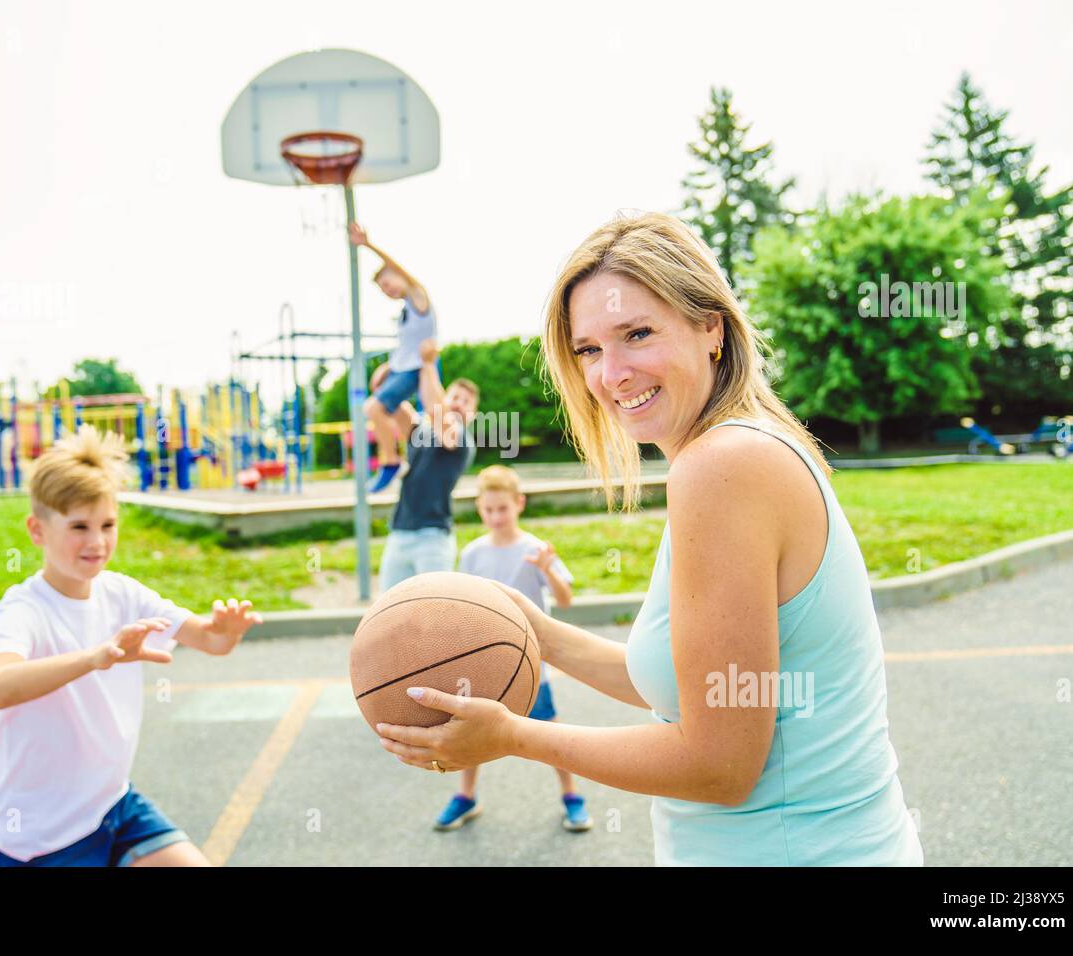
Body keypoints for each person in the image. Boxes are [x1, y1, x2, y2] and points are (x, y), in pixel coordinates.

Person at [374, 212, 925, 866]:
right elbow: (706, 690)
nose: (612, 374)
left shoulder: (722, 467)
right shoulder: (740, 449)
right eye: (588, 350)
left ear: (710, 327)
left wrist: (514, 737)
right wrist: (539, 632)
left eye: (637, 333)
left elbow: (721, 764)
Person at [0, 425, 262, 867]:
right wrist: (95, 657)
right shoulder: (24, 608)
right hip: (39, 831)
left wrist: (226, 630)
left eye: (107, 525)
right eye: (79, 527)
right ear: (37, 530)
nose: (97, 541)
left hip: (112, 803)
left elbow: (207, 639)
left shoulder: (123, 594)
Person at [434, 465, 593, 833]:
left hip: (529, 661)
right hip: (483, 662)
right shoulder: (473, 554)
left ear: (519, 504)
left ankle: (571, 795)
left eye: (502, 509)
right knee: (471, 728)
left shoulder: (535, 549)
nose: (495, 517)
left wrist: (548, 570)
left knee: (550, 732)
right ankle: (466, 796)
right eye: (488, 510)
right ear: (479, 509)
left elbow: (565, 599)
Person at [378, 339, 479, 591]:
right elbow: (390, 403)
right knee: (387, 613)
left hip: (433, 538)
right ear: (446, 396)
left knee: (435, 617)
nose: (458, 403)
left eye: (466, 402)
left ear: (473, 415)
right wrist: (395, 372)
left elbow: (438, 413)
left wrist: (428, 363)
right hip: (399, 532)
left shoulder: (461, 439)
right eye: (455, 396)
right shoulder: (420, 429)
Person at [348, 220, 439, 493]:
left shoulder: (419, 298)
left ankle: (391, 461)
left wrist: (368, 245)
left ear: (399, 276)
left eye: (388, 283)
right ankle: (416, 441)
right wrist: (387, 367)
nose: (388, 290)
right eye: (383, 290)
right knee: (386, 401)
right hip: (402, 366)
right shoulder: (404, 312)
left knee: (373, 408)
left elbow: (398, 268)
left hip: (415, 369)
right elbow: (408, 344)